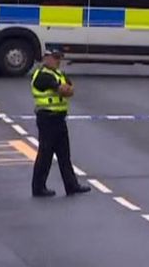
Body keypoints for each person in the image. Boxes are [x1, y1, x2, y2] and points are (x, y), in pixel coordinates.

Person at [30, 50, 91, 198]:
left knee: (64, 155)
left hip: (59, 118)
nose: (58, 61)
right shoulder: (42, 75)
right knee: (45, 155)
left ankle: (71, 185)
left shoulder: (59, 74)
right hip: (47, 118)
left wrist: (65, 89)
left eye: (59, 58)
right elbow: (63, 89)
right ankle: (38, 188)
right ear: (46, 58)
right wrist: (64, 89)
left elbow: (70, 89)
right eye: (55, 58)